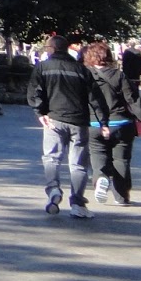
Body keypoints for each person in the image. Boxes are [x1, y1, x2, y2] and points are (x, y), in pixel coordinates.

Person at [28, 34, 92, 218]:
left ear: (51, 49)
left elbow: (34, 92)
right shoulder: (81, 69)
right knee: (78, 165)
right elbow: (94, 96)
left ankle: (54, 190)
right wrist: (101, 121)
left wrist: (40, 112)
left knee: (51, 158)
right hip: (78, 121)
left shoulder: (43, 67)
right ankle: (78, 204)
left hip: (53, 120)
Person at [84, 40, 141, 206]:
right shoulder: (118, 75)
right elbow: (133, 99)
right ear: (108, 56)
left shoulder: (85, 74)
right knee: (121, 160)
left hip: (94, 124)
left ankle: (100, 178)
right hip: (121, 123)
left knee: (97, 154)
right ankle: (121, 197)